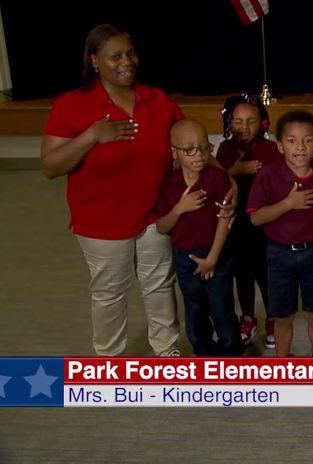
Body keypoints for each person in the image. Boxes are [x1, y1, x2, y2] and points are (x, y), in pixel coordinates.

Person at [40, 24, 219, 356]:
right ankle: (109, 360)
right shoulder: (72, 105)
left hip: (155, 214)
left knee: (159, 286)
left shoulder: (157, 100)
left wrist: (227, 179)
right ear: (94, 61)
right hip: (101, 222)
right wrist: (91, 136)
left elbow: (192, 144)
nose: (126, 61)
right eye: (115, 56)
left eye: (130, 53)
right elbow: (50, 166)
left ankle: (167, 354)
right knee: (110, 292)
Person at [247, 111, 313, 357]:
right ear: (280, 145)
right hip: (279, 255)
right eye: (291, 140)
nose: (300, 147)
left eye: (308, 140)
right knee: (283, 317)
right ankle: (282, 367)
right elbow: (255, 217)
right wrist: (288, 204)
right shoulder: (268, 176)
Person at [155, 120, 242, 356]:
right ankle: (203, 352)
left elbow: (225, 219)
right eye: (189, 149)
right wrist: (179, 208)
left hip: (217, 253)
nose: (199, 155)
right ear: (174, 152)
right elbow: (162, 226)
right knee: (194, 307)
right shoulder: (170, 184)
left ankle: (230, 353)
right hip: (186, 257)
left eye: (205, 147)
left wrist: (212, 258)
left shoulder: (216, 178)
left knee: (221, 306)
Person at [216, 94, 281, 350]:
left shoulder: (269, 151)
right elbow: (214, 183)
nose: (244, 127)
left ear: (263, 123)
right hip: (234, 225)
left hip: (264, 226)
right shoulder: (224, 151)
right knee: (241, 275)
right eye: (237, 121)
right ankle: (247, 319)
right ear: (228, 123)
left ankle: (273, 319)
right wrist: (234, 171)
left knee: (267, 276)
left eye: (251, 121)